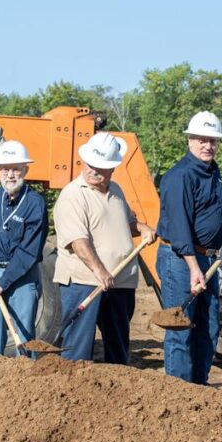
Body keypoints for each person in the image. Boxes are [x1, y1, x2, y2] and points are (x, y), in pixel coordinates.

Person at [156, 111, 222, 384]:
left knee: (207, 326)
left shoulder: (213, 171)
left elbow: (211, 210)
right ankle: (179, 390)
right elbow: (181, 226)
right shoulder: (179, 177)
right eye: (202, 140)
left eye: (213, 140)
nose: (208, 146)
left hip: (207, 259)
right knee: (180, 326)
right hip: (181, 260)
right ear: (190, 140)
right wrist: (194, 267)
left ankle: (199, 386)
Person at [53, 132, 156, 363]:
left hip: (120, 282)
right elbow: (78, 241)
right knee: (77, 350)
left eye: (100, 167)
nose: (92, 171)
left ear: (112, 169)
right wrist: (99, 271)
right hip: (85, 282)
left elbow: (126, 223)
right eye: (90, 165)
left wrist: (143, 227)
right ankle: (73, 393)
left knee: (118, 346)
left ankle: (115, 392)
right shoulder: (73, 195)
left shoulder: (116, 191)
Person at [0, 141, 47, 357]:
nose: (10, 175)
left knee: (23, 333)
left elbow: (29, 251)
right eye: (5, 169)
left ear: (26, 170)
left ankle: (24, 381)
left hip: (23, 277)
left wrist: (3, 283)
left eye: (16, 169)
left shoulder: (35, 203)